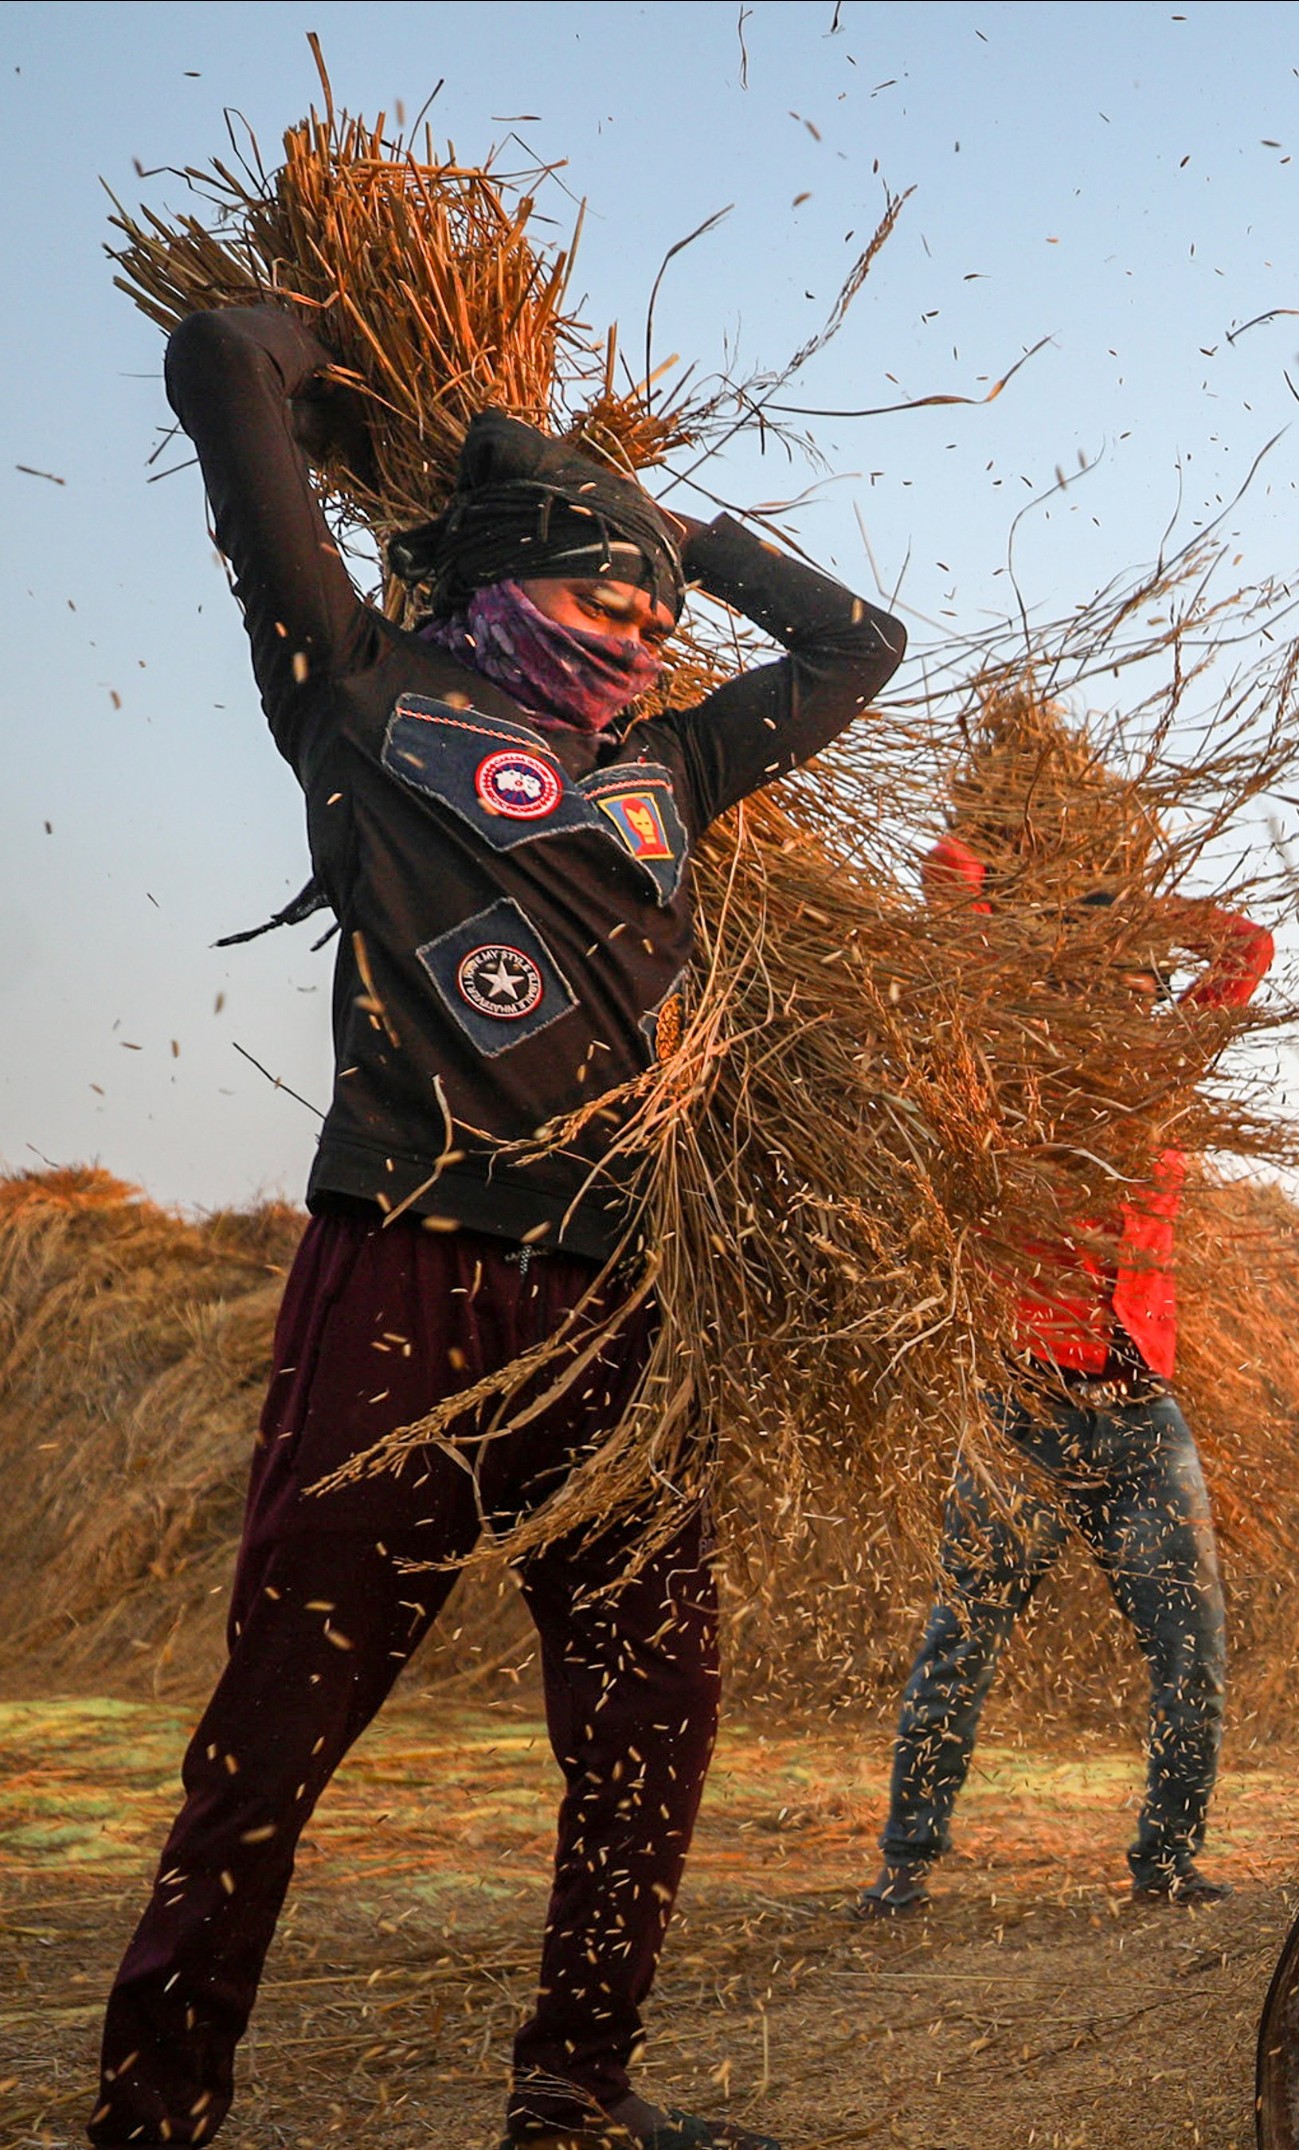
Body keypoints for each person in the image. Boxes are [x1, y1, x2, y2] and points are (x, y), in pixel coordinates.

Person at [98, 308, 905, 2150]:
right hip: (403, 1273)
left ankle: (574, 2094)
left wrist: (686, 538)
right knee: (278, 1724)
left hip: (623, 1316)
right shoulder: (358, 691)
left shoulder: (673, 773)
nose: (636, 646)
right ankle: (151, 2111)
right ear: (503, 579)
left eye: (654, 624)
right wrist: (362, 373)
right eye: (604, 603)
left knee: (653, 1712)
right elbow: (225, 362)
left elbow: (860, 643)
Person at [853, 841, 1273, 1918]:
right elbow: (948, 878)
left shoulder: (1163, 1078)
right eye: (1104, 986)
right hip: (1020, 1409)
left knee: (1193, 1650)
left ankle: (1167, 1861)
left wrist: (1141, 913)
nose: (1129, 1006)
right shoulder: (1007, 1066)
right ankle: (905, 1865)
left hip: (1140, 1416)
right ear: (1064, 987)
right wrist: (1045, 911)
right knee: (965, 1636)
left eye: (1143, 989)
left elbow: (1246, 946)